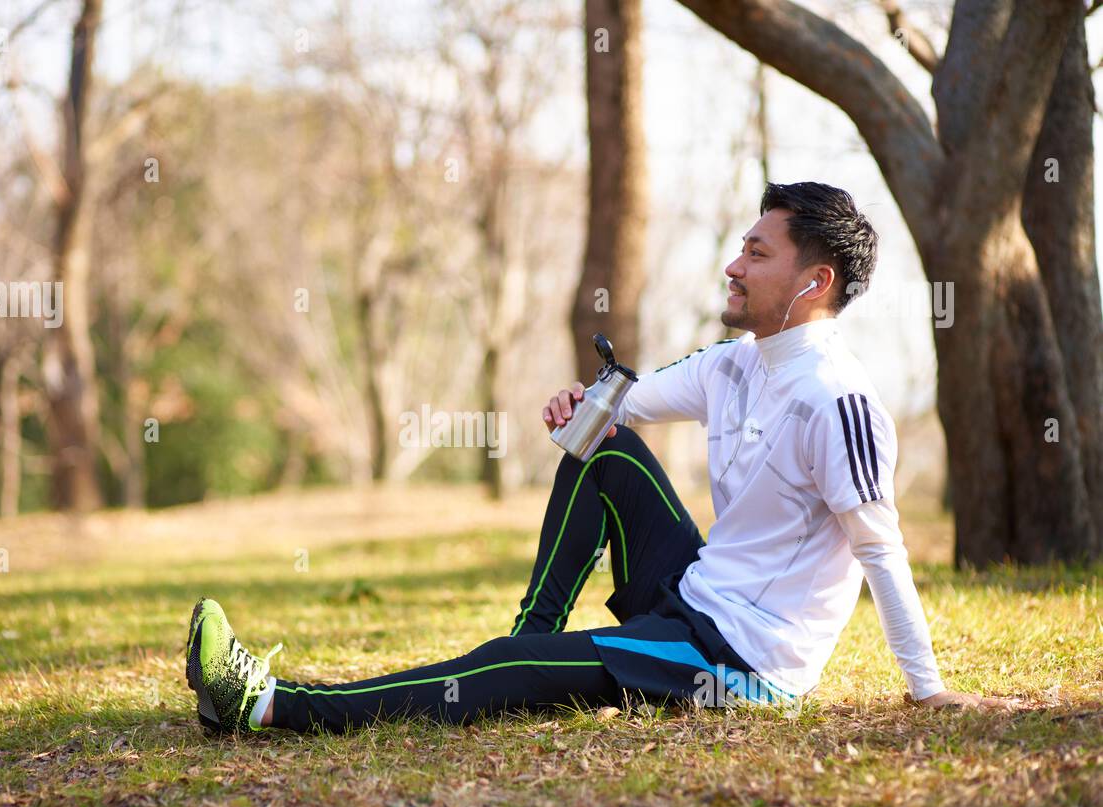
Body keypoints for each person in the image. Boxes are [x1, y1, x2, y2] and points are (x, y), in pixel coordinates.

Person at [185, 180, 1019, 736]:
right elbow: (618, 407)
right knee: (602, 448)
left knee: (502, 668)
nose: (733, 265)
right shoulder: (733, 365)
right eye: (741, 245)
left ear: (815, 281)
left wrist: (927, 686)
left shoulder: (837, 400)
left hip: (736, 665)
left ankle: (262, 704)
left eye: (757, 254)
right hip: (693, 594)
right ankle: (527, 648)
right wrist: (577, 407)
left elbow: (881, 549)